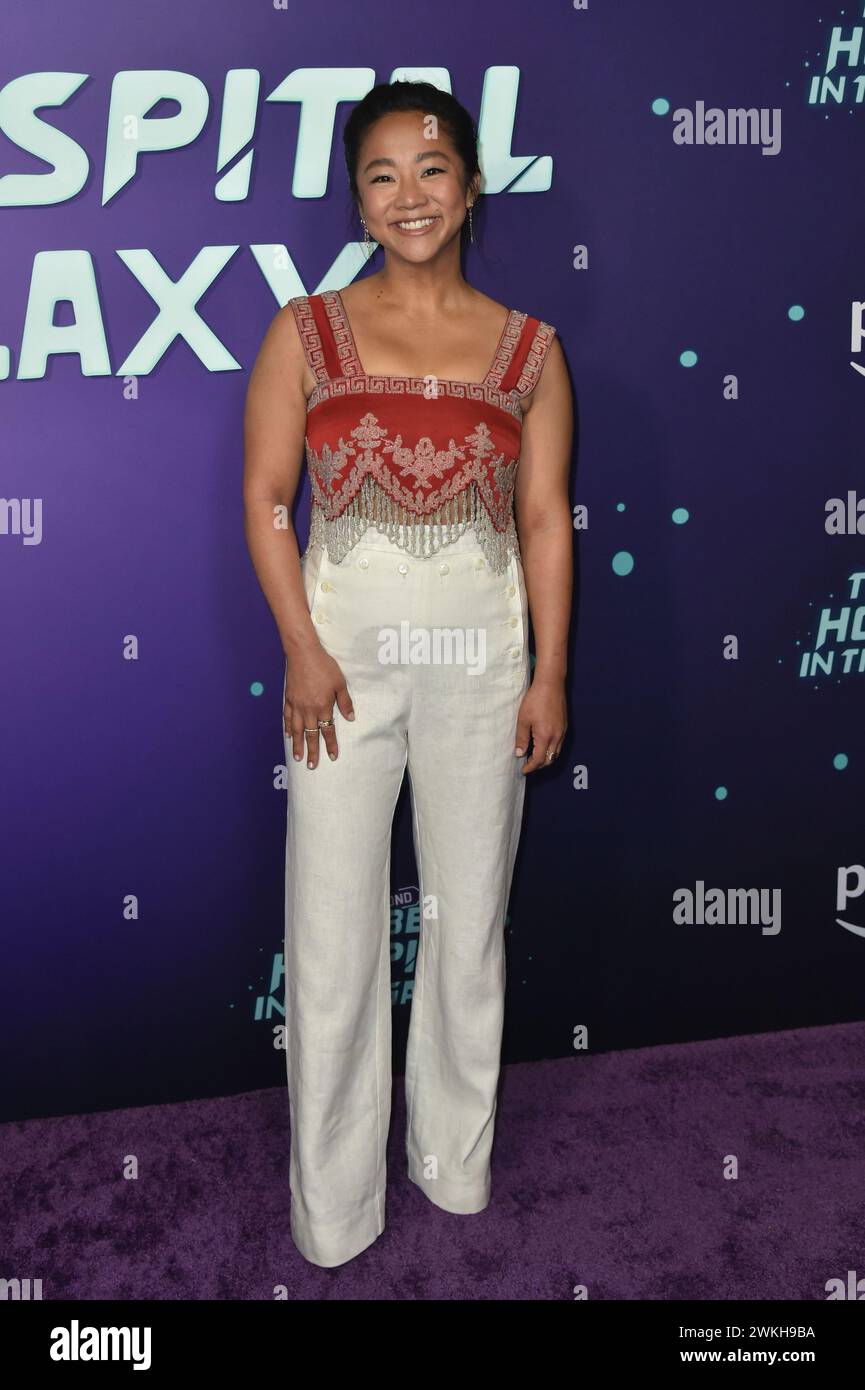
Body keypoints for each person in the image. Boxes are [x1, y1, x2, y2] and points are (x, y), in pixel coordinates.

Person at [243, 79, 573, 1268]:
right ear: (359, 198)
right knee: (330, 940)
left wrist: (547, 677)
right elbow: (265, 500)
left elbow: (543, 522)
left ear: (471, 185)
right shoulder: (305, 330)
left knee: (466, 920)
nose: (409, 195)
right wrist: (301, 647)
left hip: (484, 668)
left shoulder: (530, 348)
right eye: (381, 176)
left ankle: (454, 1158)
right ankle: (332, 1210)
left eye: (431, 171)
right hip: (338, 670)